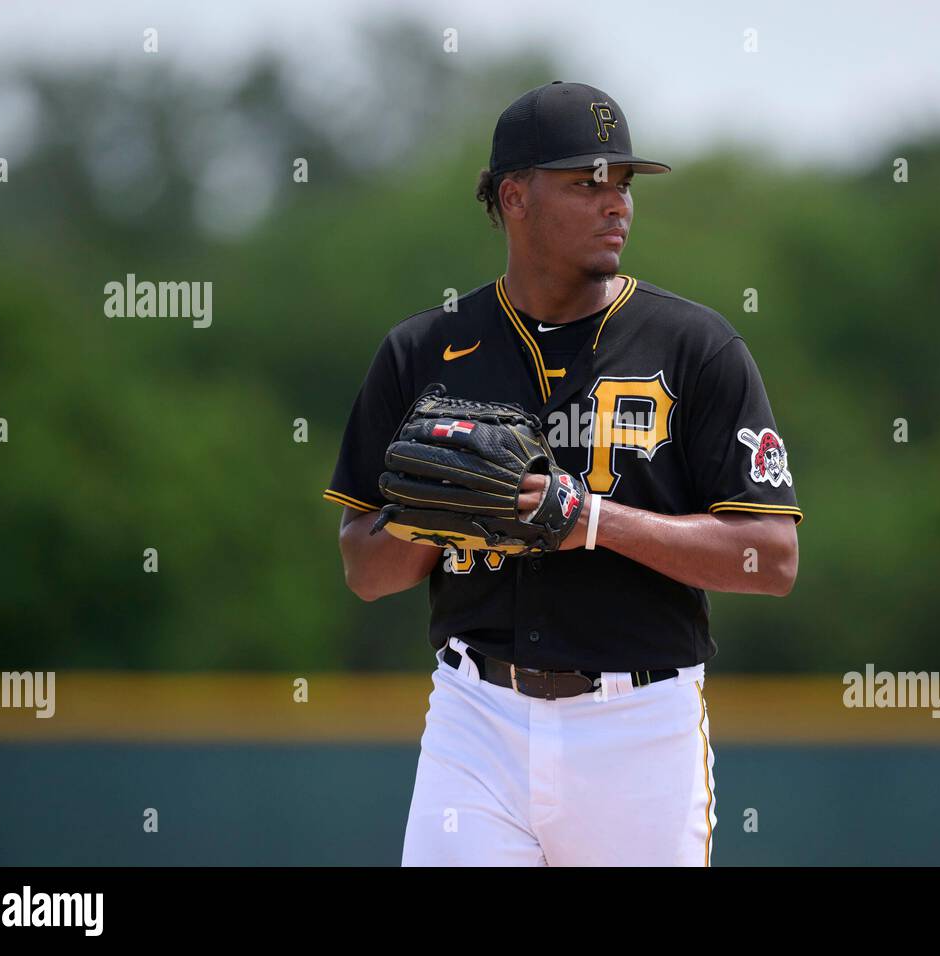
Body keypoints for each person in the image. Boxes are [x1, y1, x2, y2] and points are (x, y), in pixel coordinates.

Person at [325, 81, 801, 866]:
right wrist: (431, 512)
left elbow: (772, 559)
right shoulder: (423, 352)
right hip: (476, 717)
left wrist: (591, 519)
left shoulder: (696, 348)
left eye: (623, 183)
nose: (616, 203)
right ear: (514, 197)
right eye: (586, 183)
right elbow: (365, 571)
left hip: (638, 727)